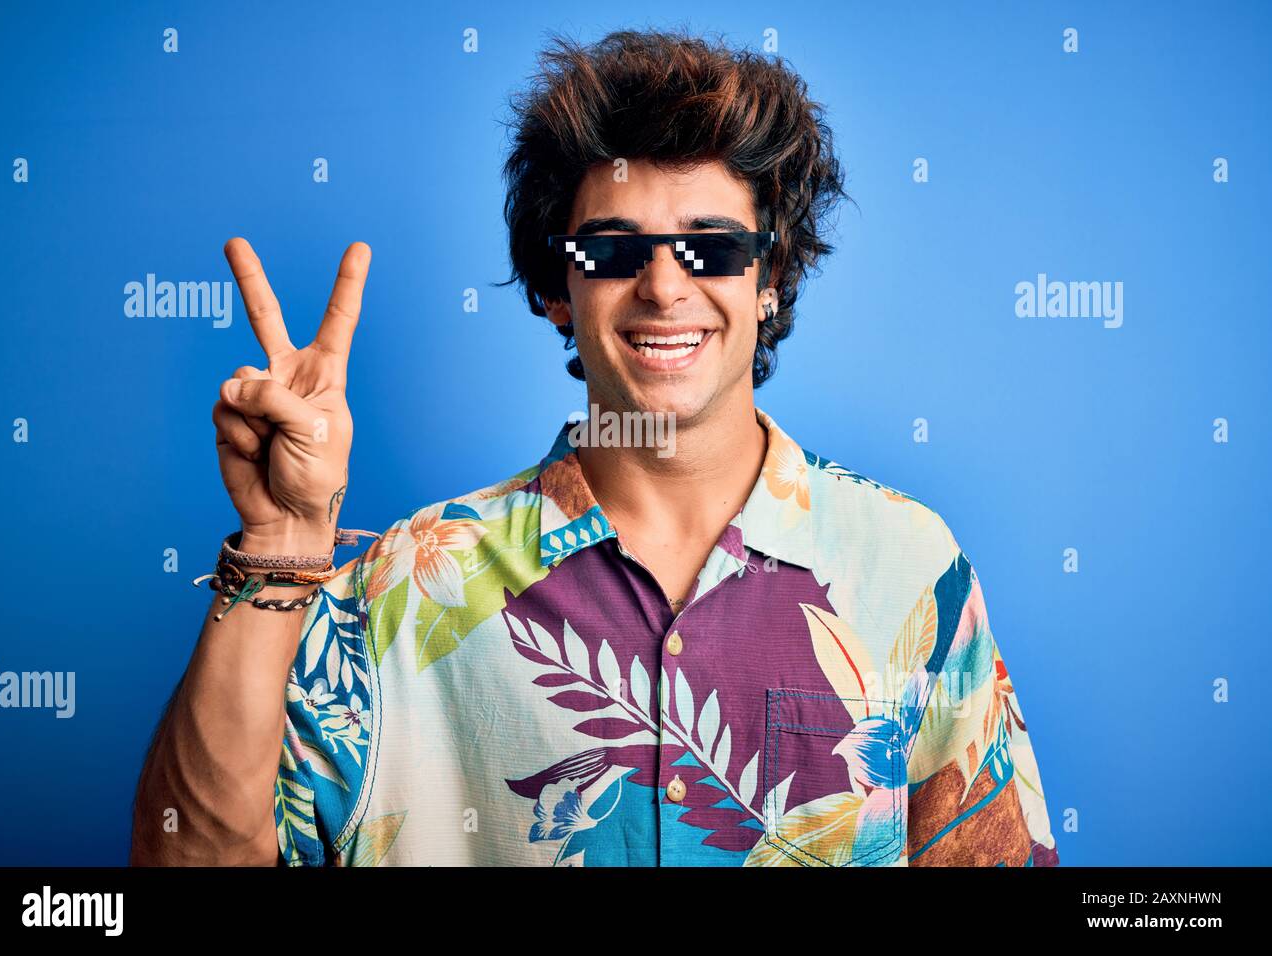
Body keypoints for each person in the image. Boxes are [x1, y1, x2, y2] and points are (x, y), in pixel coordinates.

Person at [131, 29, 1059, 867]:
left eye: (712, 247)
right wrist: (282, 538)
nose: (663, 286)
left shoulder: (909, 567)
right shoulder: (399, 591)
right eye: (612, 250)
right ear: (553, 290)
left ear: (769, 276)